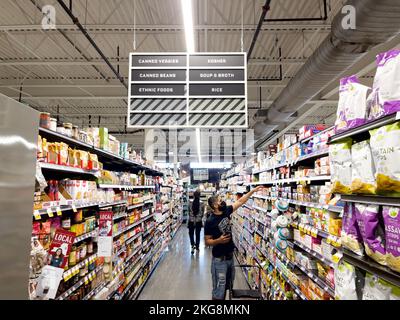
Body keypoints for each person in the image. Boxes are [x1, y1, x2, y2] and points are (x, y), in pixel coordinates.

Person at [204, 186, 264, 300]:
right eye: (220, 201)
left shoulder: (226, 210)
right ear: (215, 206)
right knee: (219, 288)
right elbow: (207, 241)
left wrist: (252, 191)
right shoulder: (210, 221)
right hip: (219, 260)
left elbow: (240, 201)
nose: (222, 201)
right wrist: (218, 240)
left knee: (229, 286)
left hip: (230, 258)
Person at [188, 189, 205, 254]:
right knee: (197, 234)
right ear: (200, 196)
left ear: (193, 196)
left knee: (191, 233)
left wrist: (191, 217)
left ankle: (192, 245)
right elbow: (203, 212)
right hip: (198, 221)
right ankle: (197, 246)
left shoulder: (190, 202)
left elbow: (189, 211)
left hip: (191, 221)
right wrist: (200, 217)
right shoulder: (202, 203)